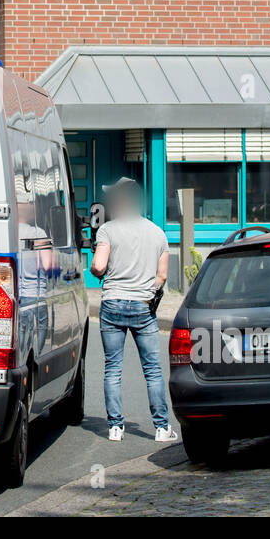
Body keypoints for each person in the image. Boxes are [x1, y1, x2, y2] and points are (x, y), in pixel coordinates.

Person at [90, 177, 177, 443]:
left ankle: (116, 427)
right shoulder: (158, 233)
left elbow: (98, 266)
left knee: (113, 368)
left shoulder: (107, 230)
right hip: (143, 306)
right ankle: (162, 428)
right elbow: (161, 276)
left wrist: (98, 270)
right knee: (152, 370)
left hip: (113, 303)